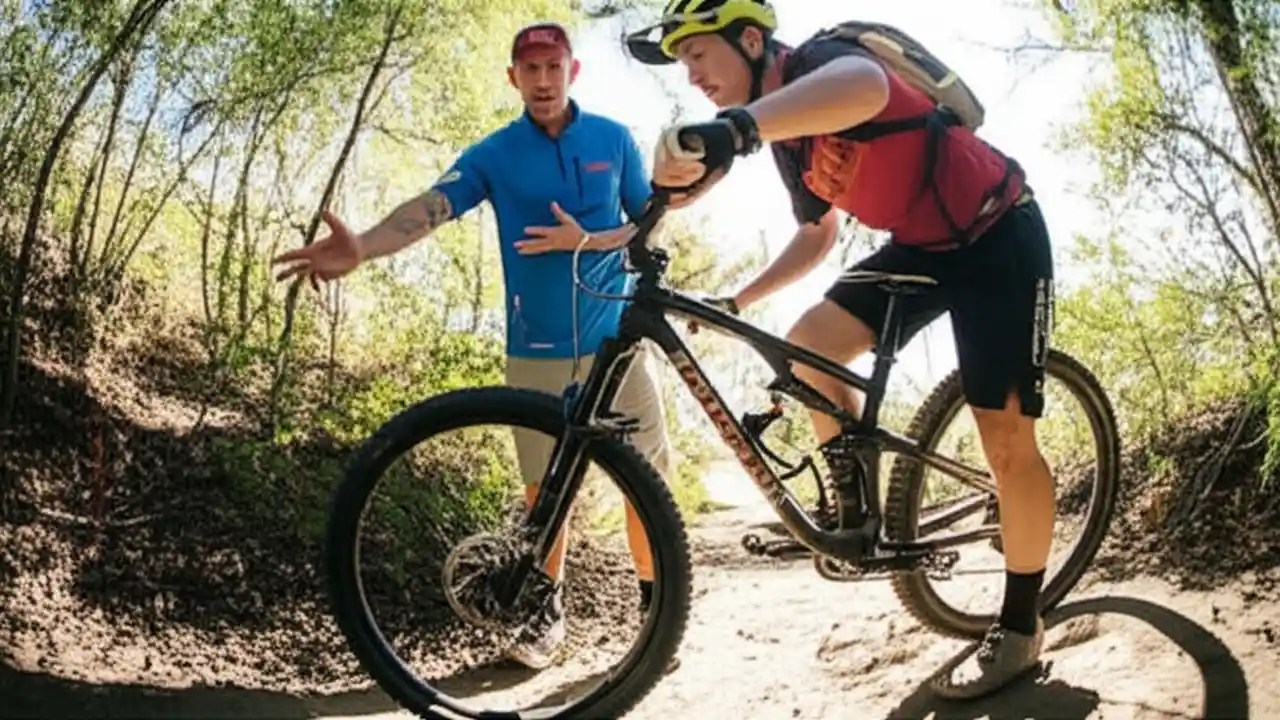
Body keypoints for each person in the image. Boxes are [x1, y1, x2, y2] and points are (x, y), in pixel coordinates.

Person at [625, 0, 1056, 700]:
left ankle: (1020, 626)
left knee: (1006, 443)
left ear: (751, 39)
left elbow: (867, 86)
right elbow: (817, 236)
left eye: (698, 53)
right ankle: (854, 512)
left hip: (999, 233)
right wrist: (738, 301)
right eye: (682, 63)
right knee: (808, 349)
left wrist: (738, 128)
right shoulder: (789, 141)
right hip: (923, 247)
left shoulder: (820, 63)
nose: (691, 72)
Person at [273, 20, 672, 671]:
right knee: (546, 496)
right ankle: (544, 614)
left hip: (616, 344)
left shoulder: (613, 139)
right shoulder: (495, 153)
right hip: (536, 351)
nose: (542, 80)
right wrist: (363, 247)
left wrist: (588, 241)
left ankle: (659, 610)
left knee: (647, 489)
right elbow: (432, 207)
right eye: (530, 70)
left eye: (554, 68)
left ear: (572, 73)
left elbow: (648, 226)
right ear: (513, 78)